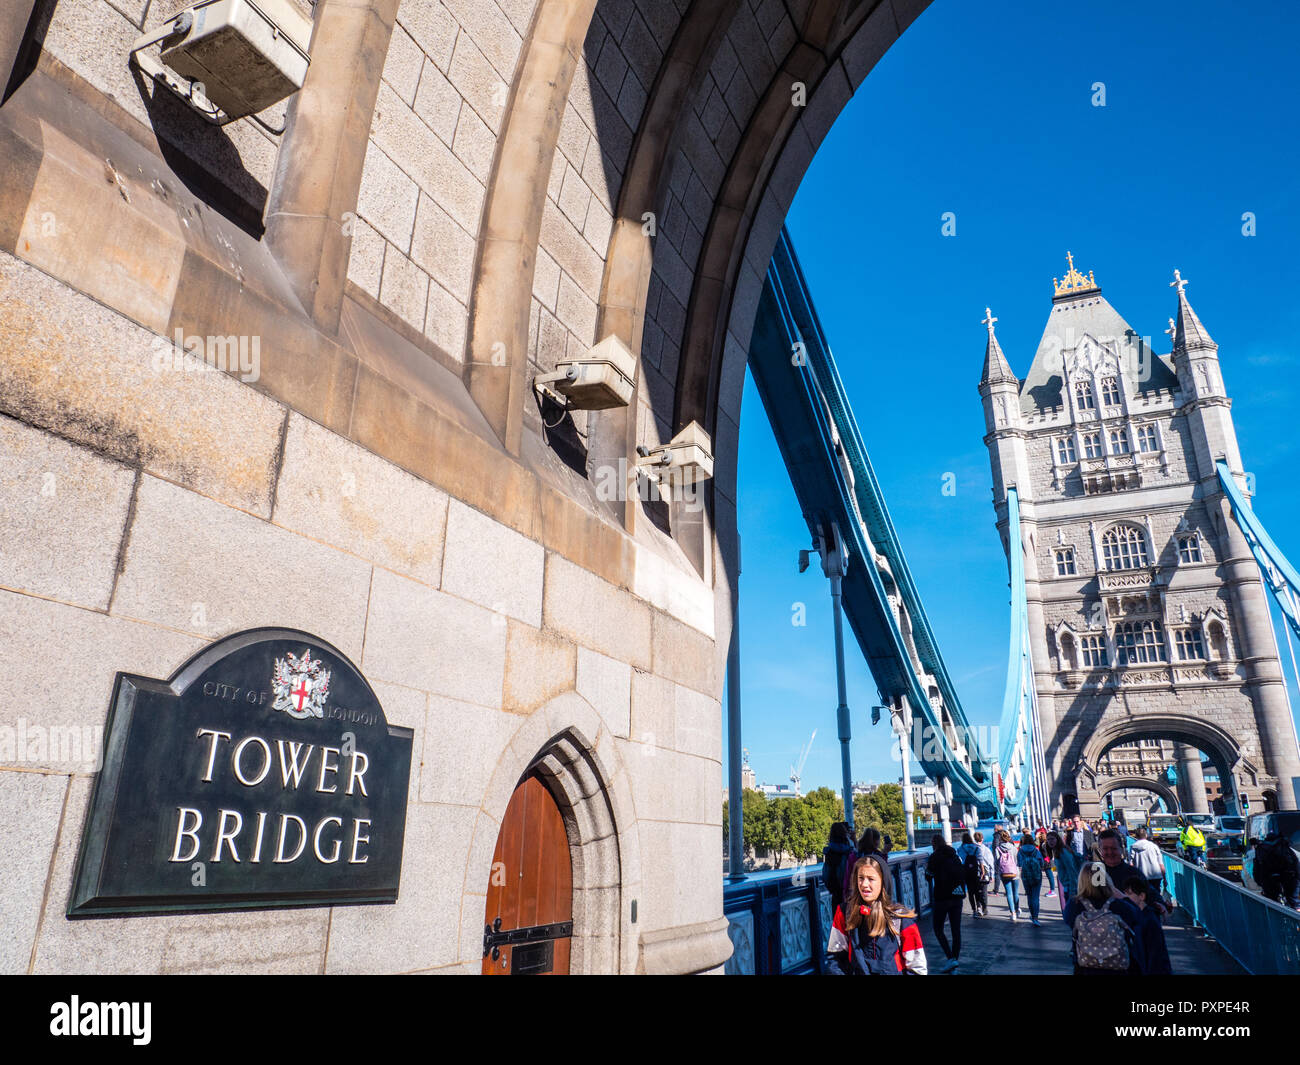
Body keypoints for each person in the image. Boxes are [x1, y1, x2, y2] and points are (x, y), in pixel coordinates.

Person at [827, 855, 928, 975]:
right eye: (861, 878)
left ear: (883, 882)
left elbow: (917, 967)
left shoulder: (900, 918)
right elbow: (835, 957)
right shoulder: (845, 913)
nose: (864, 884)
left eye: (871, 879)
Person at [1064, 862, 1142, 974]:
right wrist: (1122, 896)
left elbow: (1069, 921)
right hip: (1117, 966)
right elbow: (1137, 915)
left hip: (1085, 967)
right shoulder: (1118, 906)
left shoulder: (1074, 905)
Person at [925, 833, 966, 972]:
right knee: (956, 931)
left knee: (938, 928)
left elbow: (928, 877)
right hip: (957, 896)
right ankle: (955, 959)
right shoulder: (954, 855)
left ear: (934, 844)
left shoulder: (934, 857)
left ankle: (950, 958)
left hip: (942, 897)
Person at [1123, 876, 1172, 974]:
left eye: (1129, 894)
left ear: (1142, 896)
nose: (1125, 898)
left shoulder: (1149, 920)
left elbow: (1155, 954)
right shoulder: (1144, 916)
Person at [1254, 828, 1300, 910]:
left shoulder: (1261, 848)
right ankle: (1296, 914)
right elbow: (1295, 863)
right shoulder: (1284, 846)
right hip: (1288, 875)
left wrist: (1259, 882)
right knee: (1294, 901)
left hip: (1268, 878)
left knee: (1271, 902)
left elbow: (1257, 868)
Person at [841, 827, 889, 906]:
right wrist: (885, 853)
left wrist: (846, 894)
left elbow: (848, 877)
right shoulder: (877, 857)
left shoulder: (854, 856)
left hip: (855, 895)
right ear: (876, 842)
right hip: (874, 896)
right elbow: (883, 872)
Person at [822, 822, 856, 914]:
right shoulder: (850, 853)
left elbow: (825, 875)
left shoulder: (829, 852)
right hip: (850, 895)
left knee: (838, 924)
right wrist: (854, 841)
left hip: (836, 894)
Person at [957, 831, 989, 918]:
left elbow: (960, 860)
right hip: (976, 872)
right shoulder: (976, 847)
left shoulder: (960, 849)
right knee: (977, 890)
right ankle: (979, 907)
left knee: (970, 892)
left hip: (966, 872)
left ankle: (974, 910)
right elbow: (980, 860)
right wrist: (982, 871)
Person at [1129, 827, 1166, 898]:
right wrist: (1164, 878)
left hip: (1141, 876)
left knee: (1145, 897)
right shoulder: (1154, 846)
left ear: (1136, 836)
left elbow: (1131, 864)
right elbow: (1161, 864)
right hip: (1155, 875)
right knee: (1156, 896)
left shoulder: (1133, 847)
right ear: (1146, 835)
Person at [1047, 829, 1080, 908]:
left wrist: (1073, 891)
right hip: (1066, 886)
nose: (1050, 841)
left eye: (1052, 839)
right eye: (1048, 839)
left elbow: (1072, 871)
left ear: (1057, 839)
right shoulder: (1057, 851)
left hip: (1071, 887)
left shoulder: (1063, 852)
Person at [1017, 832, 1045, 926]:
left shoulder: (1020, 851)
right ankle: (1036, 917)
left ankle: (1032, 914)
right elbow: (1041, 863)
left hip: (1026, 875)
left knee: (1029, 895)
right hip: (1037, 875)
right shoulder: (1036, 850)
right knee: (1035, 896)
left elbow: (1019, 863)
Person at [993, 828, 1021, 920]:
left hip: (1004, 873)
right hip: (1014, 872)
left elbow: (997, 861)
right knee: (1015, 892)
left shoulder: (998, 848)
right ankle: (1017, 910)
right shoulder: (1013, 847)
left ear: (1000, 839)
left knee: (1009, 893)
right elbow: (1017, 860)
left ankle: (1012, 913)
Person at [1035, 826, 1057, 898]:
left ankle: (1052, 890)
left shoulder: (1044, 843)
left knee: (1050, 876)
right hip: (1048, 860)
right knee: (1049, 876)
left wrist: (1046, 859)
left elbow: (1045, 853)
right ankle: (1052, 890)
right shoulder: (1045, 842)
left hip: (1046, 861)